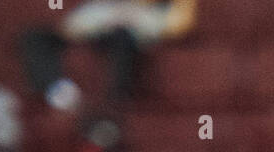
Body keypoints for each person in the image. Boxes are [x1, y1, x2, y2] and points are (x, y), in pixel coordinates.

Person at [19, 1, 197, 114]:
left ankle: (116, 104)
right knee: (35, 37)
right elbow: (73, 25)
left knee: (122, 38)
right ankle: (58, 90)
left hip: (142, 21)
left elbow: (179, 22)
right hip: (102, 16)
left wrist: (135, 18)